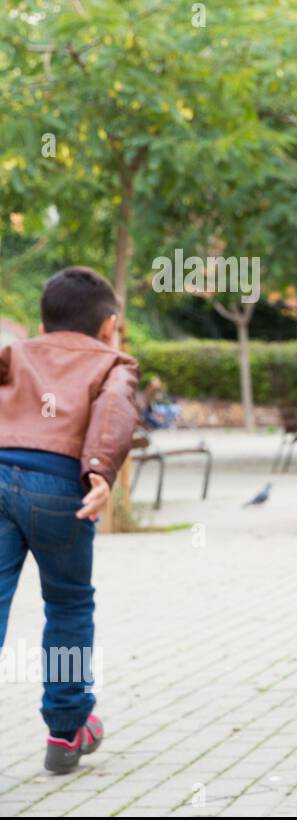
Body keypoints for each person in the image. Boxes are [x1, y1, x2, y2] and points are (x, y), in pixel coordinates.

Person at [0, 266, 140, 774]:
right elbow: (115, 413)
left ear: (44, 320)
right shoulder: (113, 361)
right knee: (68, 605)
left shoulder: (16, 352)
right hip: (62, 489)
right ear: (109, 325)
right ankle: (66, 730)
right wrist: (100, 471)